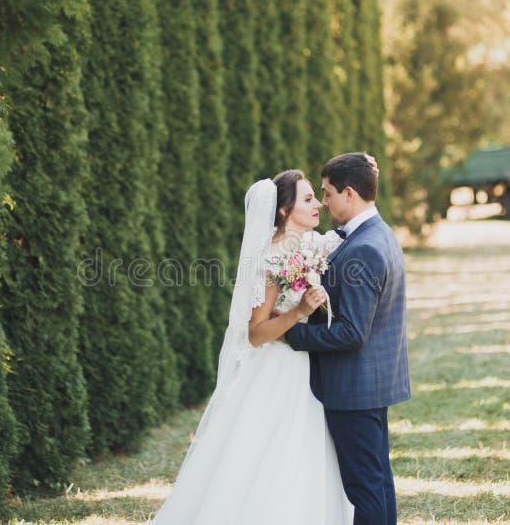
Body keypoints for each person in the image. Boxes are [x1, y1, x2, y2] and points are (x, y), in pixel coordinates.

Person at [152, 169, 353, 525]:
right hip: (280, 368)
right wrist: (300, 312)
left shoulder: (310, 245)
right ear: (283, 211)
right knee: (274, 450)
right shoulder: (273, 258)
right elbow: (256, 333)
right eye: (307, 199)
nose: (317, 204)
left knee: (307, 451)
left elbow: (341, 239)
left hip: (309, 363)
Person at [284, 152, 411, 525]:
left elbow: (351, 332)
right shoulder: (378, 234)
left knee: (365, 491)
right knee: (377, 484)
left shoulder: (365, 249)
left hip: (354, 388)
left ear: (349, 193)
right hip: (369, 384)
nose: (324, 202)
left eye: (327, 193)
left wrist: (292, 332)